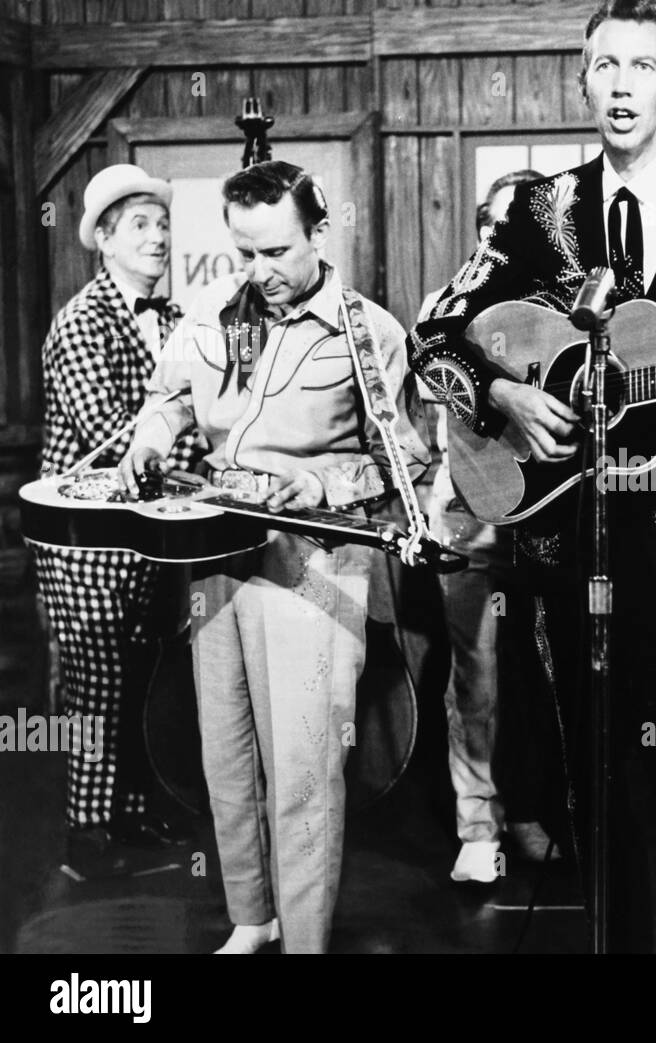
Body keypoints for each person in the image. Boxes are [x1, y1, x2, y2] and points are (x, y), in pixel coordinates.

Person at [408, 0, 656, 951]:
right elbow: (435, 336)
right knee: (596, 775)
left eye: (642, 67)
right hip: (565, 539)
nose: (621, 84)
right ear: (583, 81)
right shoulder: (537, 209)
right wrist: (502, 395)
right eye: (604, 66)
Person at [119, 160, 430, 954]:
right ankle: (252, 917)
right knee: (224, 752)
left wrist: (317, 480)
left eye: (277, 253)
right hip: (213, 558)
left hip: (312, 569)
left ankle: (307, 940)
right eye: (244, 252)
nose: (261, 273)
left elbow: (402, 469)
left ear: (320, 234)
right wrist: (147, 443)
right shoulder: (213, 315)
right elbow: (170, 399)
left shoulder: (370, 333)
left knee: (302, 773)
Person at [33, 163, 205, 848]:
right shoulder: (78, 323)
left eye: (163, 224)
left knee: (136, 676)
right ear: (103, 240)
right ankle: (89, 829)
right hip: (85, 540)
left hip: (145, 538)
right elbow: (111, 435)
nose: (158, 237)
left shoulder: (177, 319)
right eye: (140, 225)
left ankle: (130, 811)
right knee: (97, 683)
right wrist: (194, 447)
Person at [421, 169, 561, 882]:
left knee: (548, 678)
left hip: (555, 520)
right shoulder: (446, 309)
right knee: (477, 677)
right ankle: (478, 824)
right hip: (471, 521)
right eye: (496, 227)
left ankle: (533, 812)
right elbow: (431, 387)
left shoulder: (570, 306)